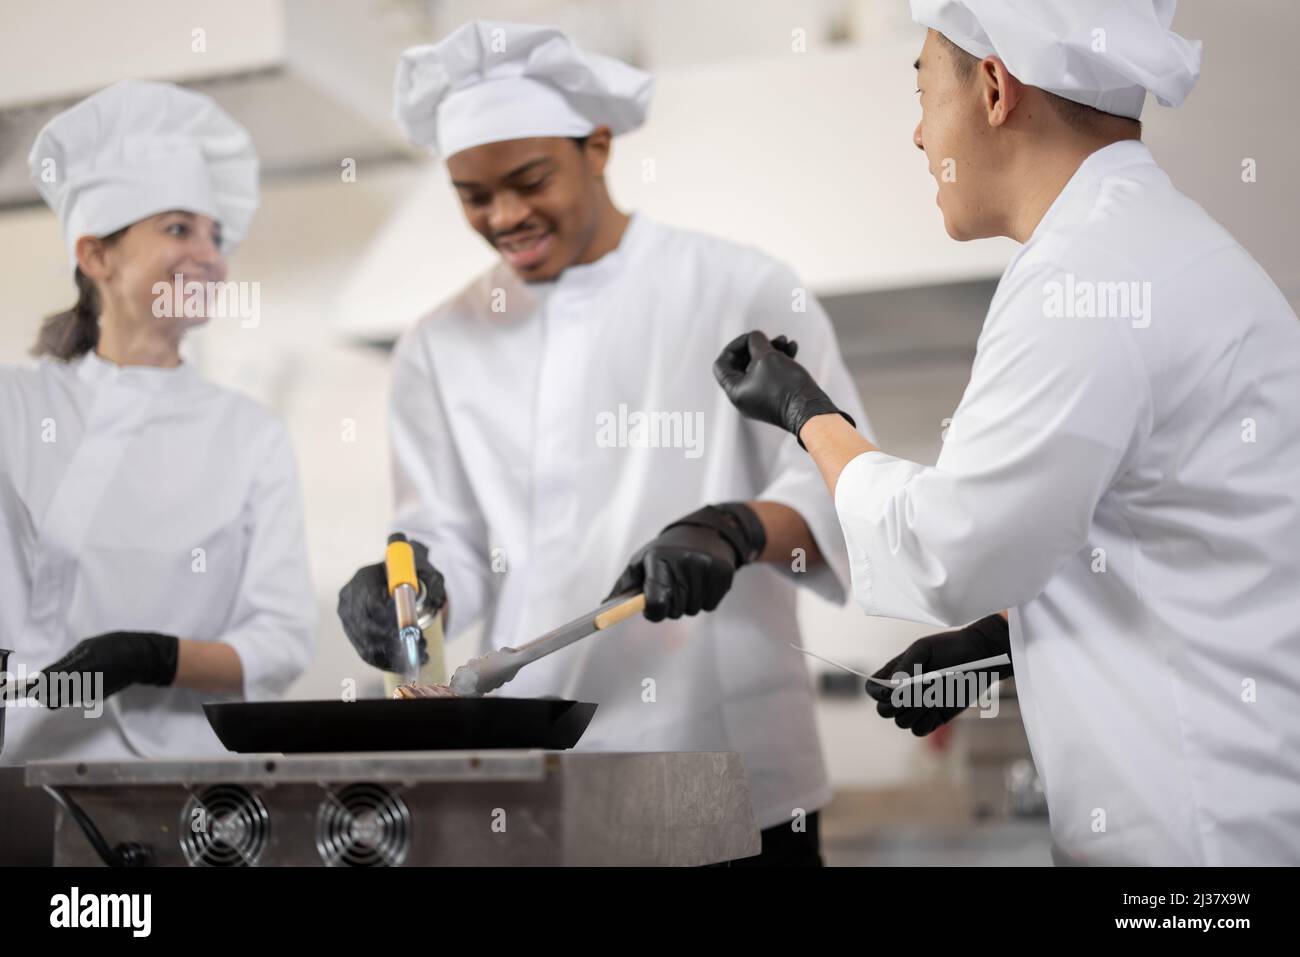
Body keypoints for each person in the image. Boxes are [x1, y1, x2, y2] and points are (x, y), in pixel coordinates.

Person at [714, 0, 1300, 865]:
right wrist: (1001, 644)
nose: (917, 136)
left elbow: (947, 549)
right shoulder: (1170, 247)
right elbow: (1175, 542)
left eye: (921, 92)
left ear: (993, 88)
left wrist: (808, 412)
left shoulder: (1082, 274)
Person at [336, 21, 867, 865]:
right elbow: (449, 548)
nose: (505, 216)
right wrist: (412, 591)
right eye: (473, 195)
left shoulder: (740, 287)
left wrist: (734, 529)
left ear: (599, 145)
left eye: (529, 179)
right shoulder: (435, 346)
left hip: (727, 766)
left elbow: (841, 492)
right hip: (531, 770)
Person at [0, 80, 316, 763]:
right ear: (96, 256)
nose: (208, 254)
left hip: (188, 779)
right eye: (178, 227)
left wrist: (154, 656)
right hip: (25, 771)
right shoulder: (15, 408)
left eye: (215, 234)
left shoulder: (248, 432)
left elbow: (283, 637)